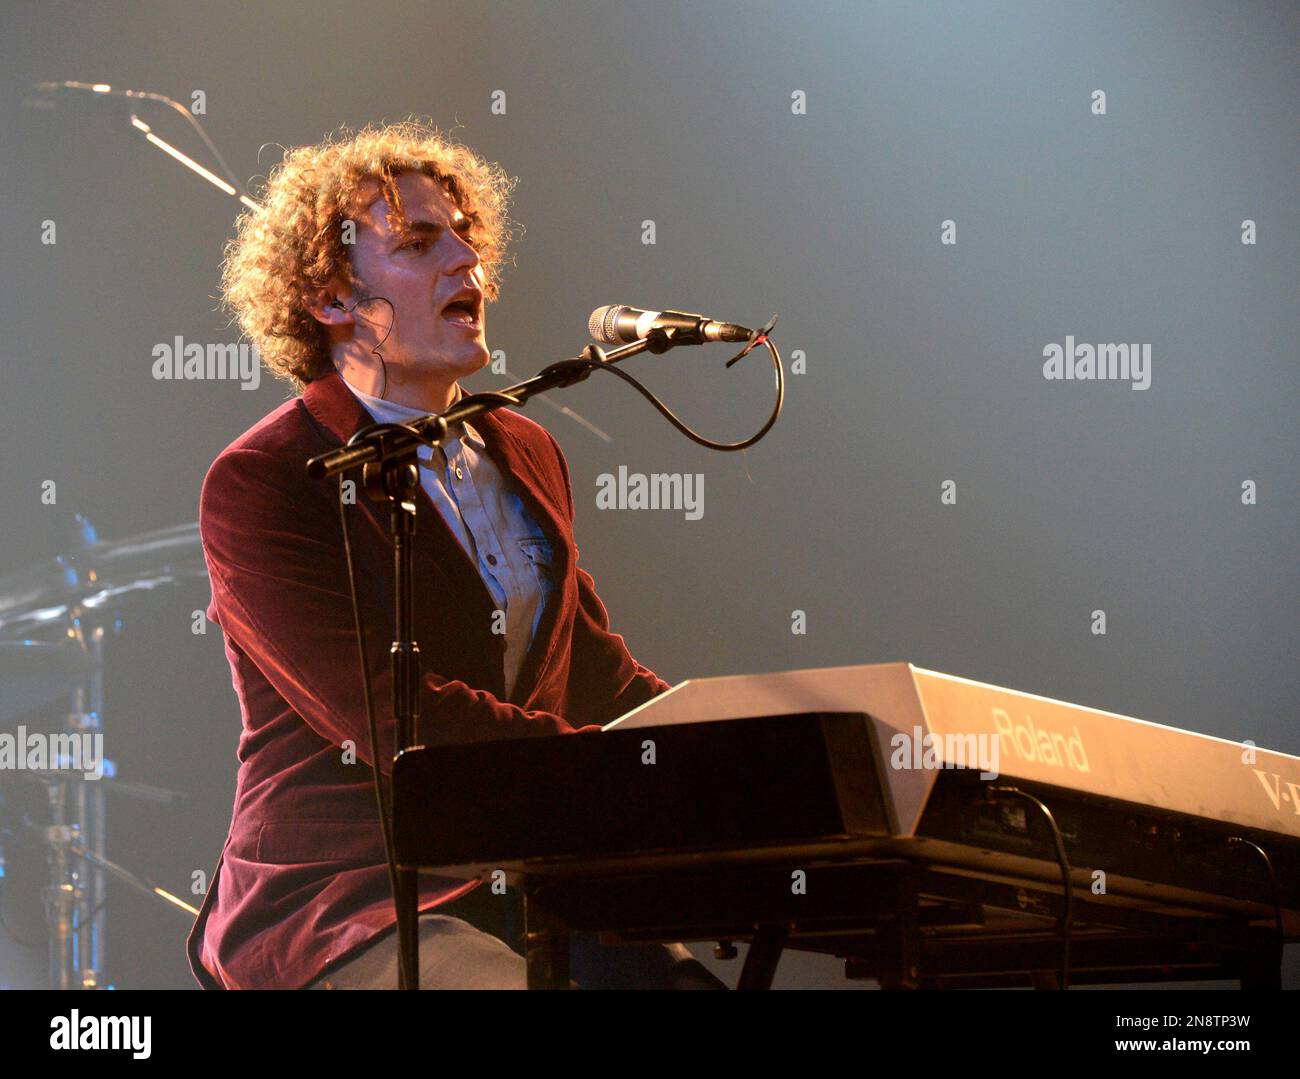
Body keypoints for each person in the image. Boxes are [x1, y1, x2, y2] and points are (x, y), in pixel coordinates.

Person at [187, 122, 723, 989]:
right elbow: (394, 719)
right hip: (349, 895)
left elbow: (591, 673)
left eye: (468, 234)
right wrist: (620, 777)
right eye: (420, 242)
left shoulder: (527, 448)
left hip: (535, 879)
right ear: (331, 298)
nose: (468, 258)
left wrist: (749, 747)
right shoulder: (266, 480)